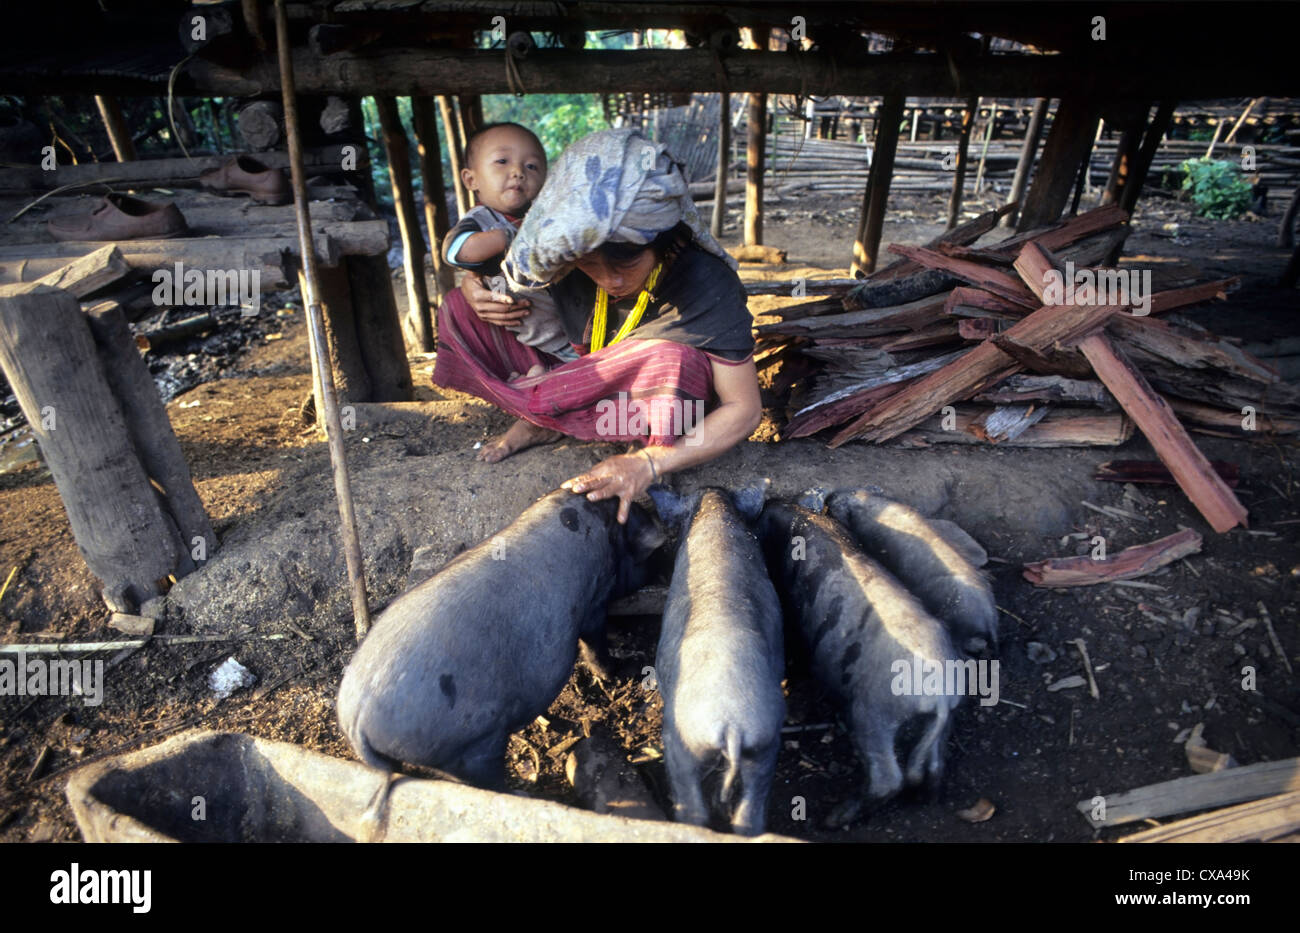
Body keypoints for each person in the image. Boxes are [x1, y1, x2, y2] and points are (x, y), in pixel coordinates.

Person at [433, 128, 761, 523]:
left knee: (670, 360)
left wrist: (650, 464)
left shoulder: (707, 283)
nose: (612, 280)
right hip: (579, 374)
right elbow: (485, 263)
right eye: (592, 264)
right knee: (460, 309)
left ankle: (566, 416)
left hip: (651, 406)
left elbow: (743, 410)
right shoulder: (563, 252)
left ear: (665, 241)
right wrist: (477, 288)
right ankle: (549, 419)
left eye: (628, 263)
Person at [441, 122, 572, 360]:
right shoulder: (483, 219)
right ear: (471, 180)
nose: (518, 172)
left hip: (564, 318)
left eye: (531, 166)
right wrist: (506, 237)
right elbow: (455, 252)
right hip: (525, 321)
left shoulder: (543, 217)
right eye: (502, 161)